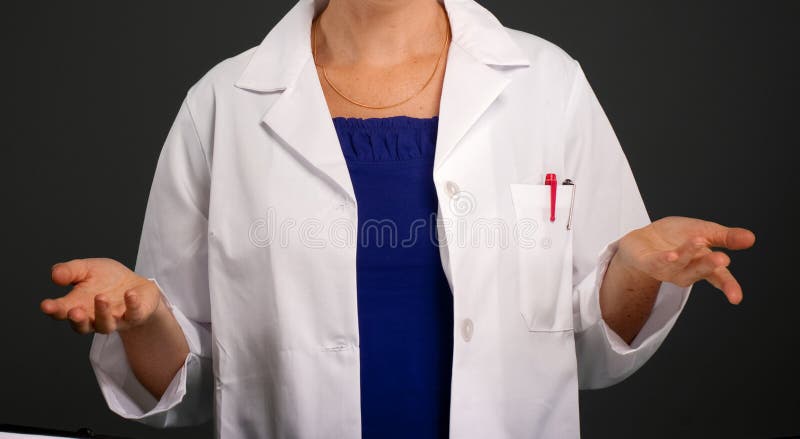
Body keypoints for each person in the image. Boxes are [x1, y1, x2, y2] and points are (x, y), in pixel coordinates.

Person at [40, 0, 755, 437]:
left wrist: (635, 271)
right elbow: (186, 386)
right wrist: (142, 318)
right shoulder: (224, 105)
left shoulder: (548, 86)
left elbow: (593, 352)